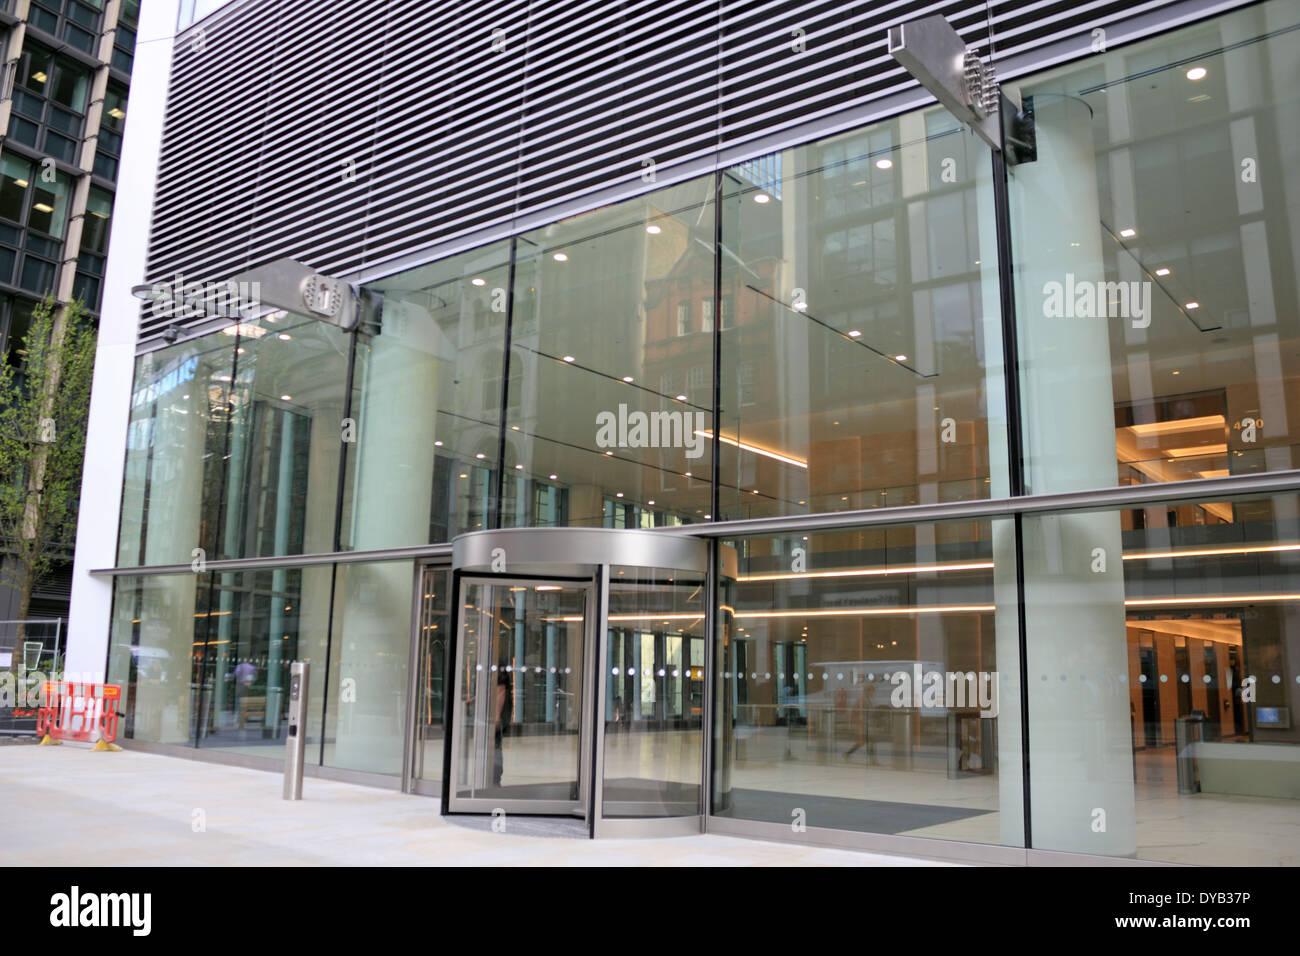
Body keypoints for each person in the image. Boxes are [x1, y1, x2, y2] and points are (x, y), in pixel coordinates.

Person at [492, 669, 512, 787]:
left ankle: (495, 778)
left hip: (496, 717)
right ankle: (494, 777)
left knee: (495, 746)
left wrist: (497, 715)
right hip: (498, 715)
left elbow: (500, 691)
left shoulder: (497, 668)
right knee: (495, 746)